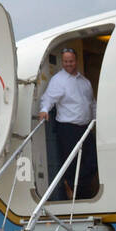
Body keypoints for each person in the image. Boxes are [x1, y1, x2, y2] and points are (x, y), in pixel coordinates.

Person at [38, 48, 98, 200]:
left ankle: (78, 188)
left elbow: (92, 103)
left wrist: (97, 119)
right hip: (68, 128)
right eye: (65, 61)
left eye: (71, 61)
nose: (68, 64)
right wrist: (44, 110)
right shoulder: (58, 80)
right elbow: (49, 98)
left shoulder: (85, 82)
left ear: (76, 61)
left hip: (85, 128)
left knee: (93, 160)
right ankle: (75, 191)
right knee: (72, 164)